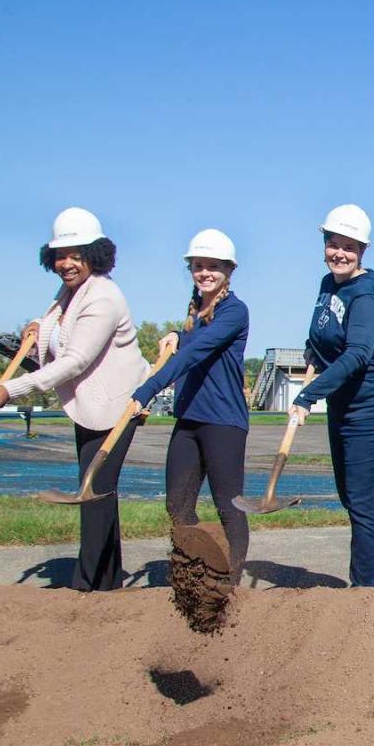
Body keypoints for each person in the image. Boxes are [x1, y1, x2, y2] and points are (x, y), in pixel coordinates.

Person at [0, 207, 149, 591]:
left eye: (75, 254)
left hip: (116, 405)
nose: (66, 263)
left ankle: (89, 582)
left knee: (95, 487)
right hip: (91, 405)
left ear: (94, 254)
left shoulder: (104, 297)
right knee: (96, 488)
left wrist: (10, 390)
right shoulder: (69, 292)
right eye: (60, 255)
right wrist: (38, 328)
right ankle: (106, 579)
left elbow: (75, 359)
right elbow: (58, 335)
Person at [289, 205, 374, 588]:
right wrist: (315, 351)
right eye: (332, 244)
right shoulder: (329, 285)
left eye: (348, 246)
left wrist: (308, 395)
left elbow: (358, 354)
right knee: (353, 497)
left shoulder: (369, 293)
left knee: (363, 500)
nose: (338, 253)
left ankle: (368, 590)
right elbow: (325, 334)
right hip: (345, 405)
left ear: (363, 250)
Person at [132, 230, 252, 582]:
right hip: (188, 420)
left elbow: (195, 352)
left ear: (228, 270)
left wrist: (147, 389)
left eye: (213, 266)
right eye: (198, 266)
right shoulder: (195, 315)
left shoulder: (235, 311)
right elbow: (189, 341)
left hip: (223, 422)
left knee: (229, 506)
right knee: (177, 504)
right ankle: (195, 571)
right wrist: (176, 333)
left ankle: (228, 581)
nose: (205, 273)